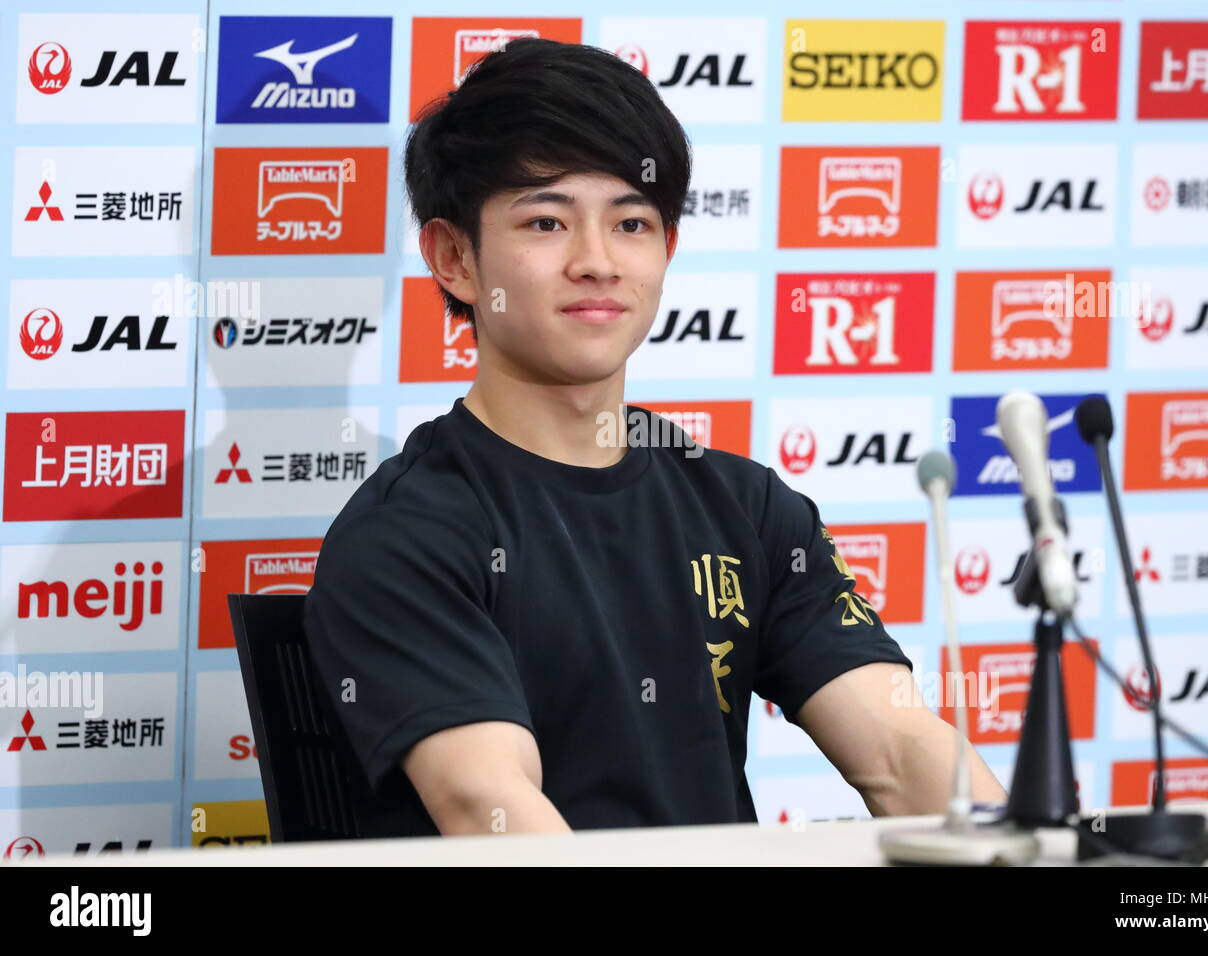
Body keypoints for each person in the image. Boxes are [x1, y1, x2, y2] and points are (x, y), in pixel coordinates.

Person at [303, 37, 1006, 837]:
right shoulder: (408, 532)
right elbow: (491, 809)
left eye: (632, 223)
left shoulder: (747, 507)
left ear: (667, 248)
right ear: (455, 258)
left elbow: (901, 749)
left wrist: (1016, 851)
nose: (598, 262)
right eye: (546, 222)